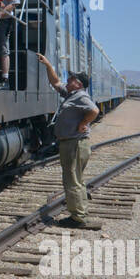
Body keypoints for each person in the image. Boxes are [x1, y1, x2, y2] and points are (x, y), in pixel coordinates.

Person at [35, 53, 101, 229]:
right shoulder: (71, 94)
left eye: (71, 78)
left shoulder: (81, 96)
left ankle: (78, 218)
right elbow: (56, 82)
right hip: (71, 143)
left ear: (78, 84)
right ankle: (79, 213)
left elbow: (94, 110)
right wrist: (49, 65)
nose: (68, 80)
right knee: (75, 179)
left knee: (73, 181)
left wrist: (83, 123)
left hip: (75, 144)